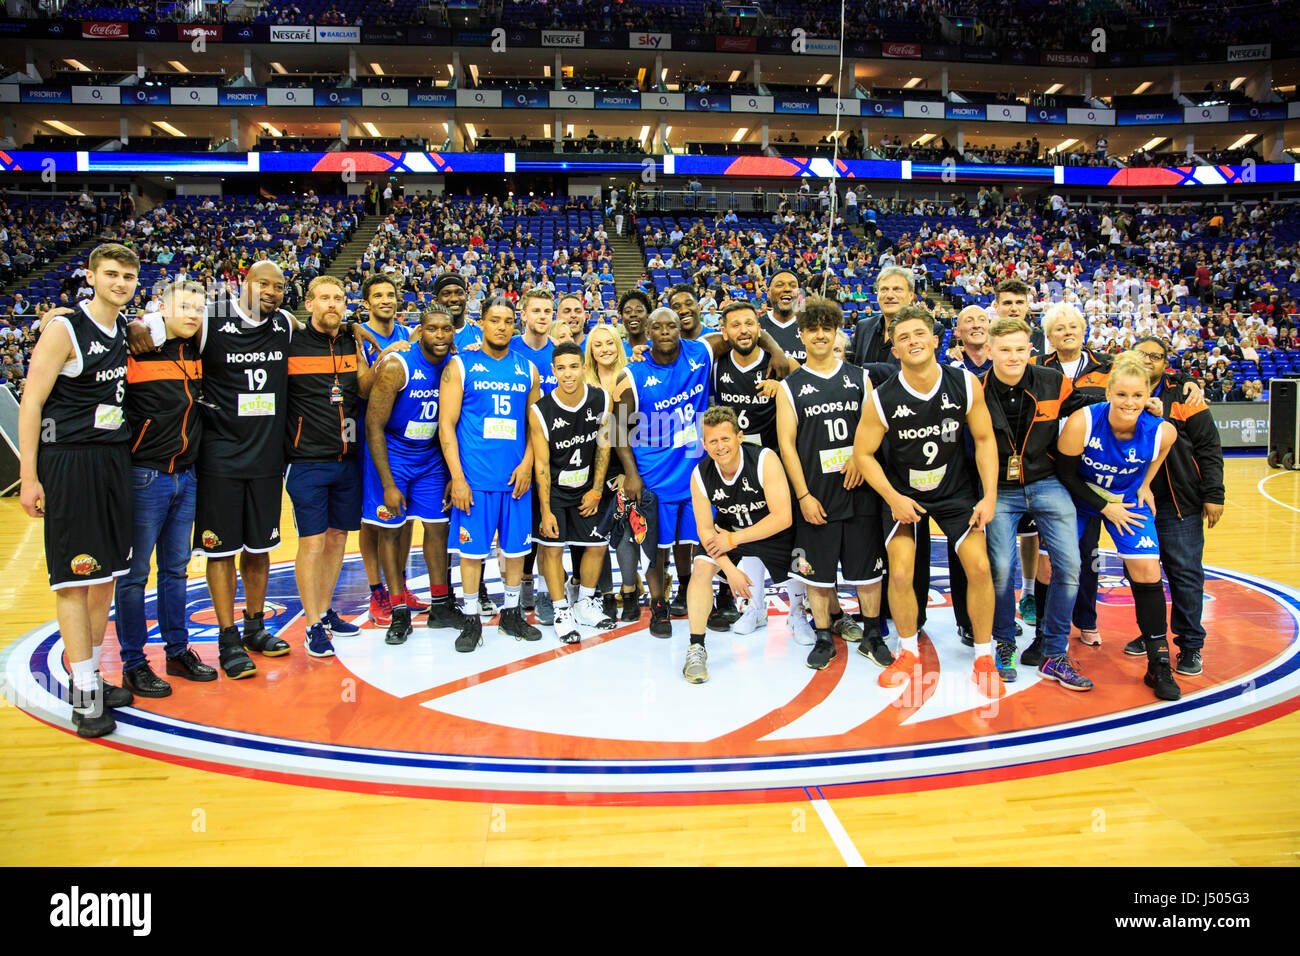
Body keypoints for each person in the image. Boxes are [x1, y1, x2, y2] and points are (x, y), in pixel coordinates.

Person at [853, 304, 1006, 700]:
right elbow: (863, 454)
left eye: (920, 334)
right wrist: (892, 497)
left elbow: (987, 440)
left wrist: (989, 495)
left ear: (936, 341)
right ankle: (906, 652)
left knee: (980, 566)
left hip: (957, 491)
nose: (913, 341)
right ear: (895, 348)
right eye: (903, 337)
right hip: (905, 493)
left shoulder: (966, 383)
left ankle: (984, 655)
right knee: (901, 573)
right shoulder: (882, 398)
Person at [20, 243, 140, 737]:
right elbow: (30, 404)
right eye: (111, 274)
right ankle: (86, 695)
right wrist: (29, 476)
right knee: (74, 578)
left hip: (113, 459)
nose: (120, 283)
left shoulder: (126, 330)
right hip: (69, 462)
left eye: (128, 277)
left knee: (105, 575)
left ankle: (86, 671)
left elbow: (187, 313)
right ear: (90, 276)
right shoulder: (64, 328)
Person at [1055, 351, 1180, 701]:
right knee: (1059, 565)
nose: (1130, 402)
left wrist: (1144, 485)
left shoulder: (1161, 431)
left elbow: (1162, 451)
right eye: (1122, 394)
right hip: (1080, 497)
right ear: (1108, 393)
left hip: (1125, 500)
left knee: (1146, 571)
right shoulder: (1083, 421)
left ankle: (1158, 663)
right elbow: (1065, 474)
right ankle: (1047, 643)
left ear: (1148, 396)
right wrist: (1105, 507)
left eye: (1138, 395)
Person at [114, 279, 217, 698]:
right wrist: (130, 323)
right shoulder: (135, 346)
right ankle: (133, 663)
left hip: (187, 476)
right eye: (184, 306)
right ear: (161, 308)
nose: (192, 314)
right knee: (135, 576)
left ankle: (177, 650)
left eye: (199, 308)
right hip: (145, 476)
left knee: (175, 572)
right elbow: (90, 325)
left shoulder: (195, 350)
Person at [776, 297, 891, 670]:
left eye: (828, 328)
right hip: (817, 496)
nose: (821, 335)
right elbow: (787, 447)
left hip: (860, 492)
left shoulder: (860, 377)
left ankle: (872, 635)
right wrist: (803, 495)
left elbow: (875, 430)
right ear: (802, 334)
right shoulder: (790, 387)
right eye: (813, 328)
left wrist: (860, 457)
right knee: (818, 574)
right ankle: (824, 636)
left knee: (868, 571)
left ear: (837, 332)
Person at [980, 317, 1091, 690]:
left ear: (1032, 350)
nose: (1013, 356)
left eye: (1020, 349)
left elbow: (1094, 406)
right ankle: (1005, 643)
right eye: (1005, 349)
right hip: (999, 488)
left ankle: (1054, 651)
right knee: (999, 567)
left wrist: (1154, 402)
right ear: (991, 350)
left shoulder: (1053, 382)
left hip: (1046, 481)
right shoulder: (976, 389)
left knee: (1070, 566)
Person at [439, 298, 542, 651]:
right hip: (474, 481)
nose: (501, 326)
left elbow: (535, 426)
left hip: (515, 480)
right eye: (494, 320)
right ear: (481, 323)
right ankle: (471, 620)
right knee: (471, 553)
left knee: (515, 553)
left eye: (508, 321)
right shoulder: (460, 364)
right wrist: (457, 477)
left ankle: (511, 615)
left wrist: (528, 462)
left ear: (515, 325)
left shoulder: (527, 369)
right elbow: (446, 425)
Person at [284, 276, 377, 658]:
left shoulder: (352, 342)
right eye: (324, 298)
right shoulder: (290, 342)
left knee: (338, 538)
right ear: (308, 304)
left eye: (338, 298)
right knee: (312, 542)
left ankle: (323, 612)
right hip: (306, 460)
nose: (332, 305)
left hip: (347, 459)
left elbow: (366, 389)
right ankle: (310, 625)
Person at [364, 305, 468, 645]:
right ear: (419, 331)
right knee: (392, 532)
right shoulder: (399, 365)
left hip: (431, 459)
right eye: (433, 329)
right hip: (393, 456)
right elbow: (374, 427)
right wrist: (388, 484)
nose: (440, 335)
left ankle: (440, 604)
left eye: (446, 329)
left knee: (439, 530)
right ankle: (398, 611)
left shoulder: (455, 366)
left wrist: (455, 472)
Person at [1124, 337, 1224, 677]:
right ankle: (1151, 635)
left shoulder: (1185, 395)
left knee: (1184, 575)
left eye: (1157, 356)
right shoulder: (1123, 389)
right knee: (1141, 576)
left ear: (1166, 362)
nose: (1149, 360)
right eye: (1143, 354)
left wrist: (1214, 494)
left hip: (1180, 502)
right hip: (1136, 502)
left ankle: (1191, 644)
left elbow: (1209, 447)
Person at [683, 406, 795, 683]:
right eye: (712, 441)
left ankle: (800, 612)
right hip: (729, 531)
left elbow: (783, 517)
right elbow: (707, 532)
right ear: (704, 445)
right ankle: (696, 647)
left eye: (725, 439)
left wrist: (732, 539)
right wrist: (729, 570)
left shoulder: (765, 459)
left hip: (769, 531)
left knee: (805, 568)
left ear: (740, 437)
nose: (720, 447)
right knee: (699, 571)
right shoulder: (699, 475)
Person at [529, 341, 617, 643]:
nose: (568, 374)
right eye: (561, 368)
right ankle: (560, 609)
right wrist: (545, 510)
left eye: (573, 366)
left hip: (588, 488)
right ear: (553, 371)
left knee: (596, 545)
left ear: (583, 367)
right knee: (551, 548)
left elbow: (605, 445)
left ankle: (584, 603)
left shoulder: (603, 399)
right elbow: (540, 464)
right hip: (553, 490)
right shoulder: (539, 411)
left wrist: (596, 491)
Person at [355, 274, 421, 628]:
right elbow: (363, 390)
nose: (385, 300)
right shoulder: (359, 338)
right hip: (376, 440)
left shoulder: (407, 335)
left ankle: (401, 584)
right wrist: (384, 354)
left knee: (405, 517)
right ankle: (377, 591)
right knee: (374, 519)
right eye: (377, 295)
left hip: (409, 442)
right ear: (366, 302)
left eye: (390, 294)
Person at [585, 323, 642, 622]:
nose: (605, 348)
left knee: (626, 534)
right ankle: (605, 594)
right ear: (590, 350)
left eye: (610, 343)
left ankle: (630, 591)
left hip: (625, 466)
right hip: (590, 468)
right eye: (598, 344)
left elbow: (631, 427)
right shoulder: (581, 381)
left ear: (619, 345)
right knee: (597, 536)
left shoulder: (632, 375)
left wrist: (627, 471)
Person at [851, 266, 914, 367]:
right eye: (884, 289)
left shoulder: (927, 330)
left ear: (911, 295)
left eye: (897, 289)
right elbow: (850, 365)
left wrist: (865, 371)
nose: (889, 295)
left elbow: (913, 371)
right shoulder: (863, 326)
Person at [761, 271, 804, 363]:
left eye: (793, 286)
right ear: (768, 292)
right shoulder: (756, 327)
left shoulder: (812, 327)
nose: (787, 289)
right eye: (780, 285)